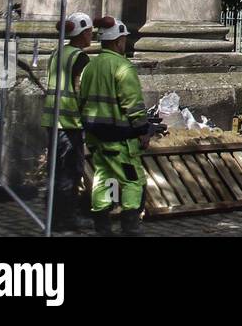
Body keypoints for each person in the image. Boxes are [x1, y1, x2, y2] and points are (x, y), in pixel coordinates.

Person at [78, 17, 165, 235]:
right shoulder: (123, 67)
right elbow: (133, 105)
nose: (124, 43)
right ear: (118, 41)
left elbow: (83, 99)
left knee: (104, 178)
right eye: (124, 39)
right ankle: (130, 227)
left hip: (96, 136)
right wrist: (144, 131)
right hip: (120, 139)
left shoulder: (90, 66)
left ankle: (102, 225)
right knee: (133, 182)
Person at [41, 12, 94, 232]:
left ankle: (53, 216)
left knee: (55, 171)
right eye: (90, 31)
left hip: (52, 120)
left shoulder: (57, 53)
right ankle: (66, 219)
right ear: (83, 33)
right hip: (69, 122)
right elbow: (81, 90)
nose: (92, 35)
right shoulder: (80, 57)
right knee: (70, 173)